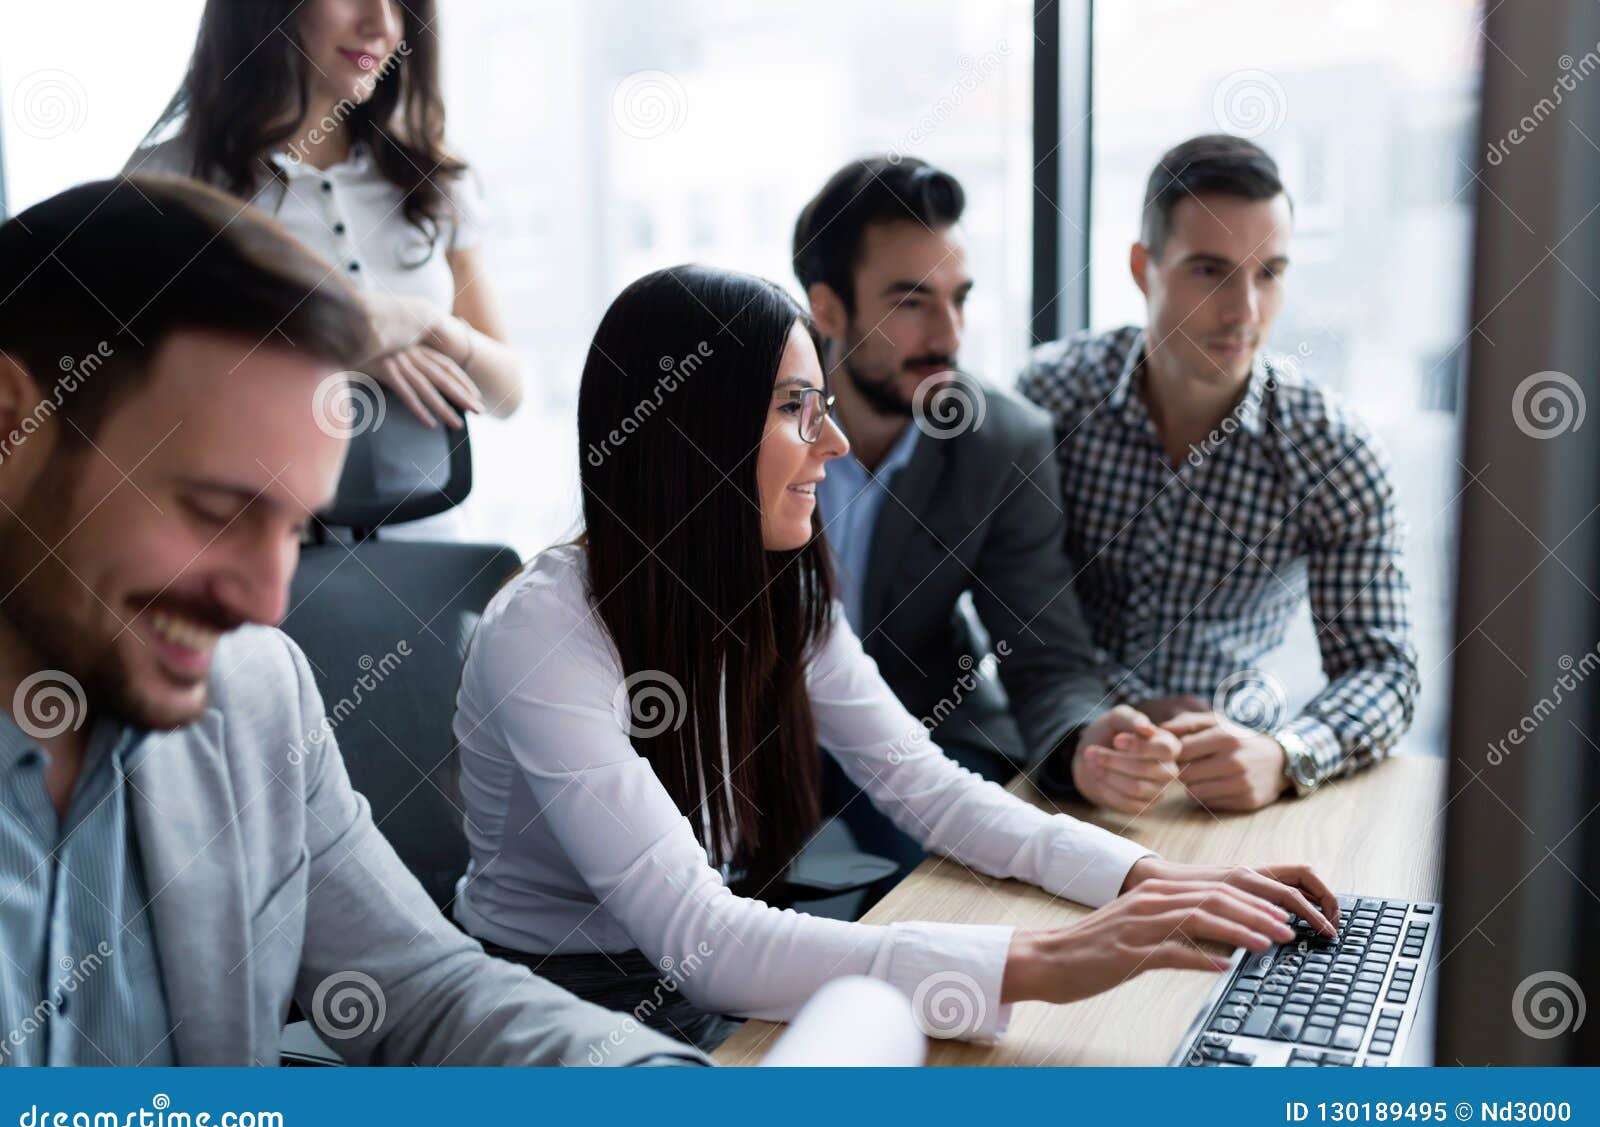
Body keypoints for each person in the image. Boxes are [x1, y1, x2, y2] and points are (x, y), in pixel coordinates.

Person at [451, 263, 1341, 1053]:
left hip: (696, 997)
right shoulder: (547, 631)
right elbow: (699, 936)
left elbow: (928, 785)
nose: (831, 444)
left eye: (822, 405)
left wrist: (1151, 879)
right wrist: (1041, 959)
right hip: (556, 1003)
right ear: (693, 435)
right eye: (793, 409)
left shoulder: (784, 593)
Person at [0, 176, 700, 1067]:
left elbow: (426, 992)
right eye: (216, 509)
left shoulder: (255, 694)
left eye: (294, 526)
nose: (263, 602)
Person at [791, 156, 1179, 875]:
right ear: (828, 308)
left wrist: (1086, 742)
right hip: (748, 740)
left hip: (919, 734)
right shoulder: (751, 414)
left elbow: (1045, 657)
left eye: (959, 297)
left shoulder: (1000, 440)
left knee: (971, 900)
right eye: (911, 302)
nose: (948, 333)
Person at [1018, 135, 1420, 814]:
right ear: (1144, 267)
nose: (1246, 311)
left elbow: (1384, 669)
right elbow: (997, 608)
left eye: (1271, 273)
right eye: (1211, 270)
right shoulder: (1048, 400)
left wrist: (1291, 754)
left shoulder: (1332, 452)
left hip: (1224, 788)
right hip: (1055, 768)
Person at [126, 0, 524, 541]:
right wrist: (332, 342)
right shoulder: (168, 183)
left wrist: (422, 324)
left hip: (432, 551)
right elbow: (140, 398)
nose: (382, 25)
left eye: (398, 4)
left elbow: (507, 395)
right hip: (251, 561)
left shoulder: (433, 180)